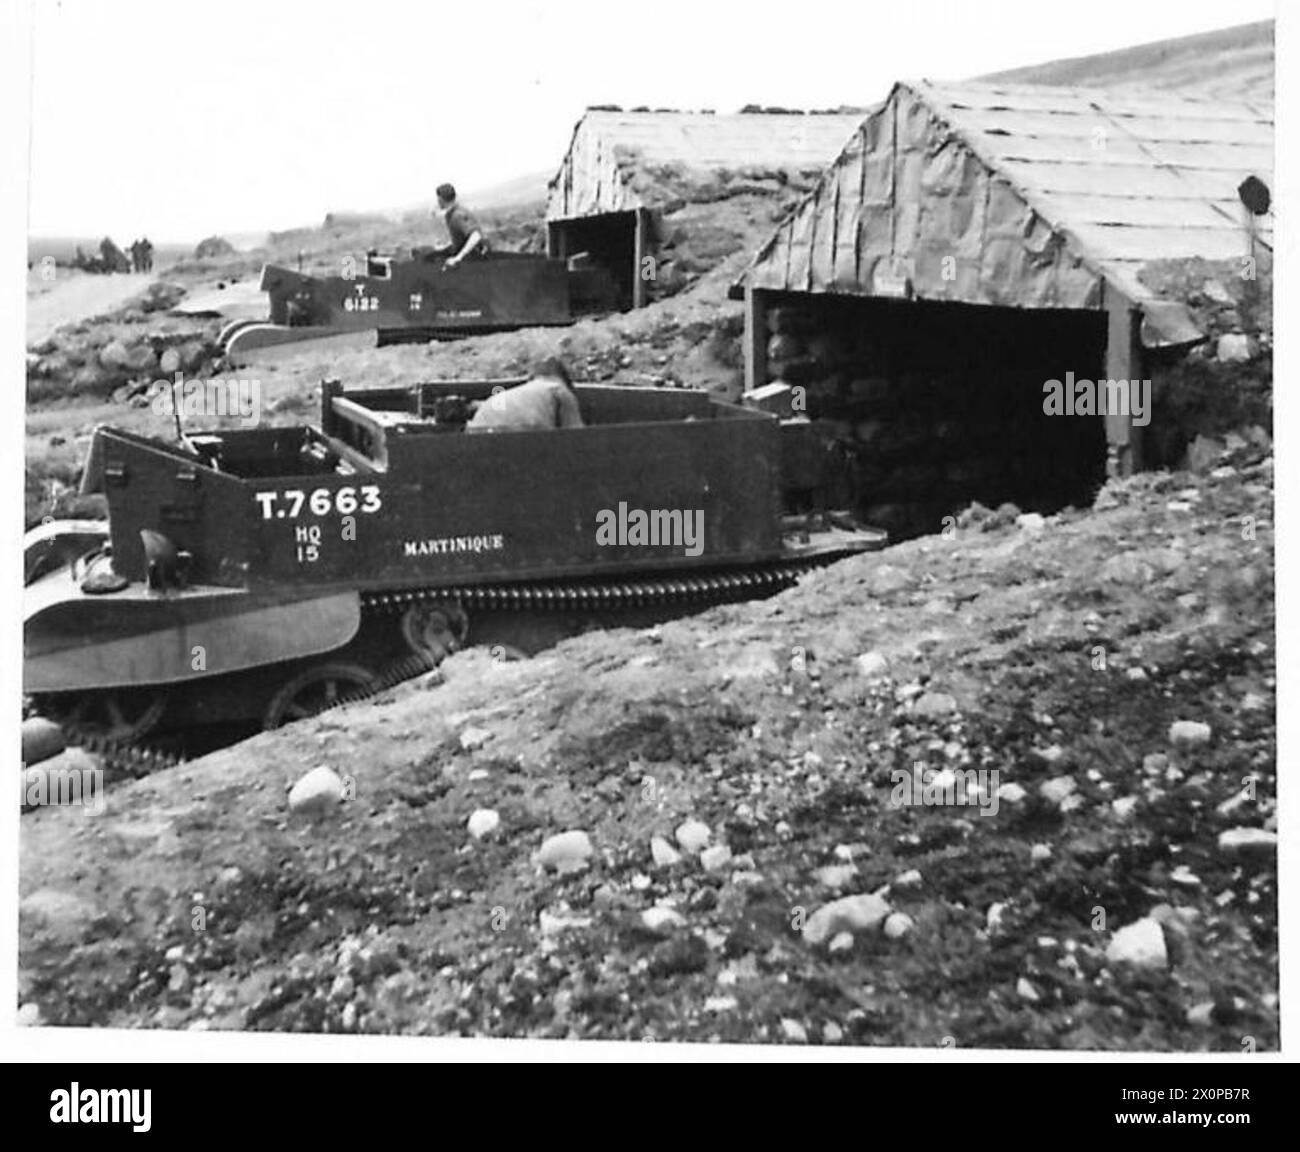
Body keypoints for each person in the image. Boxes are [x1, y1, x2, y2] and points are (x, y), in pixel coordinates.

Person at [466, 357, 584, 432]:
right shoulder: (558, 388)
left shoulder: (519, 392)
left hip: (479, 426)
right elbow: (576, 435)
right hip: (525, 430)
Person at [433, 183, 487, 268]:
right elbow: (462, 238)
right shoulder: (452, 213)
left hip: (473, 258)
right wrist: (447, 246)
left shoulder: (457, 215)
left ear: (441, 199)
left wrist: (458, 258)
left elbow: (476, 236)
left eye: (438, 198)